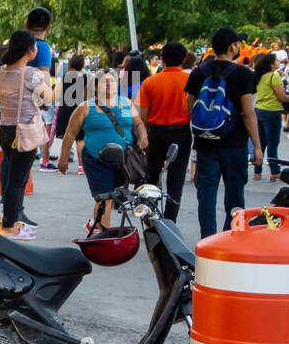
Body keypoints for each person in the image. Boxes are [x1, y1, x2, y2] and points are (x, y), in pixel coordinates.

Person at [186, 27, 261, 238]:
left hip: (205, 144)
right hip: (235, 144)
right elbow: (248, 113)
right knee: (235, 195)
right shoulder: (244, 74)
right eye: (238, 43)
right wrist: (256, 146)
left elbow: (189, 106)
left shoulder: (199, 72)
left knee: (206, 195)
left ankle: (208, 240)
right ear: (232, 47)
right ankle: (232, 239)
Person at [59, 70, 148, 230]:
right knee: (105, 198)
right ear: (95, 86)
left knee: (113, 197)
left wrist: (143, 136)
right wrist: (63, 158)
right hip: (96, 160)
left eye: (111, 81)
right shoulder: (85, 107)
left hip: (123, 162)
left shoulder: (125, 103)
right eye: (103, 82)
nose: (108, 85)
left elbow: (138, 123)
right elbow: (70, 133)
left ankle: (95, 225)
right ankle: (103, 236)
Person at [0, 29, 51, 240]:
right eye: (35, 46)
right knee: (18, 180)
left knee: (12, 178)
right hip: (24, 131)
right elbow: (49, 98)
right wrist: (46, 79)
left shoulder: (3, 71)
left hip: (6, 129)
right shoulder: (31, 74)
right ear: (29, 49)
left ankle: (13, 221)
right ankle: (9, 226)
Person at [137, 42, 192, 221]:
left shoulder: (150, 82)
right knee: (176, 181)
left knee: (152, 178)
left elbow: (143, 115)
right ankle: (170, 221)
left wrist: (142, 135)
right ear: (183, 58)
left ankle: (150, 219)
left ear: (162, 58)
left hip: (156, 134)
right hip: (181, 133)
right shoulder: (189, 81)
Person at [252, 52, 287, 180]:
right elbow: (282, 97)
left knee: (261, 143)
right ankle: (275, 172)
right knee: (273, 143)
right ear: (272, 65)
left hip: (259, 110)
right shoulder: (274, 76)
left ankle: (257, 173)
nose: (279, 62)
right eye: (276, 61)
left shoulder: (260, 76)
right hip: (271, 111)